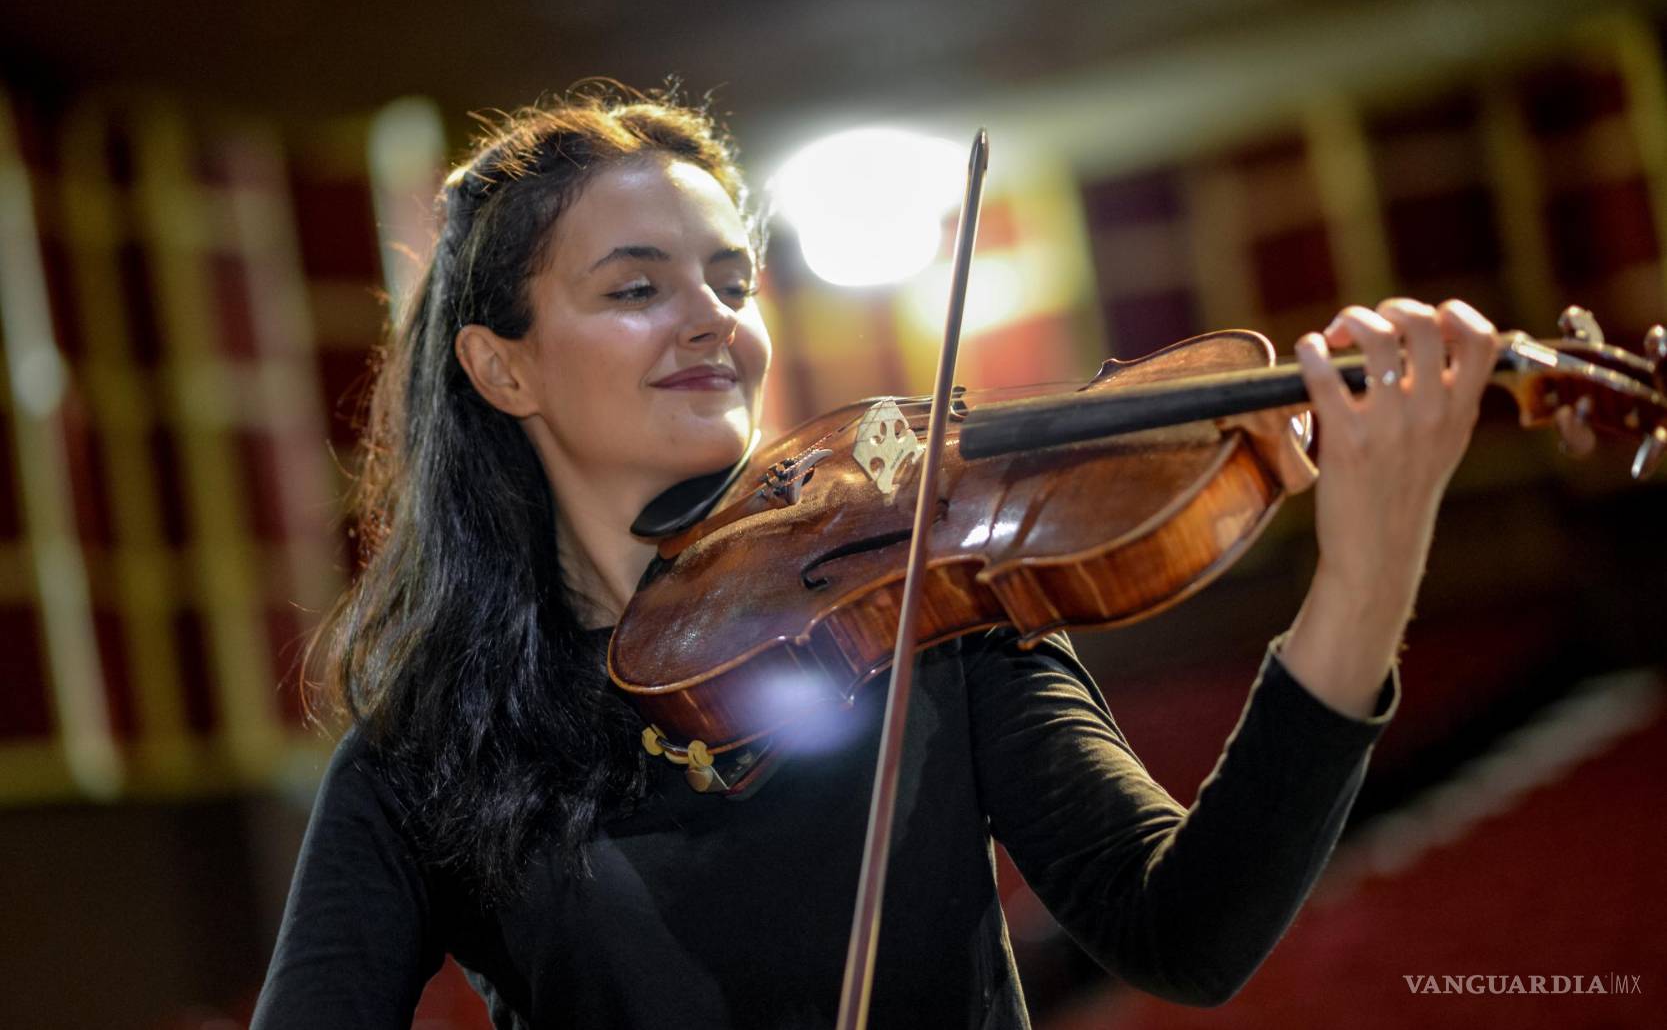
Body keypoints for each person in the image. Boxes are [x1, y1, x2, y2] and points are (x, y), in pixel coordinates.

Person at [251, 87, 1499, 1029]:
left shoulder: (920, 602)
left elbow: (1185, 930)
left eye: (730, 280)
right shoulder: (428, 751)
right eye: (636, 288)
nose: (712, 320)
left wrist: (1367, 571)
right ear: (501, 365)